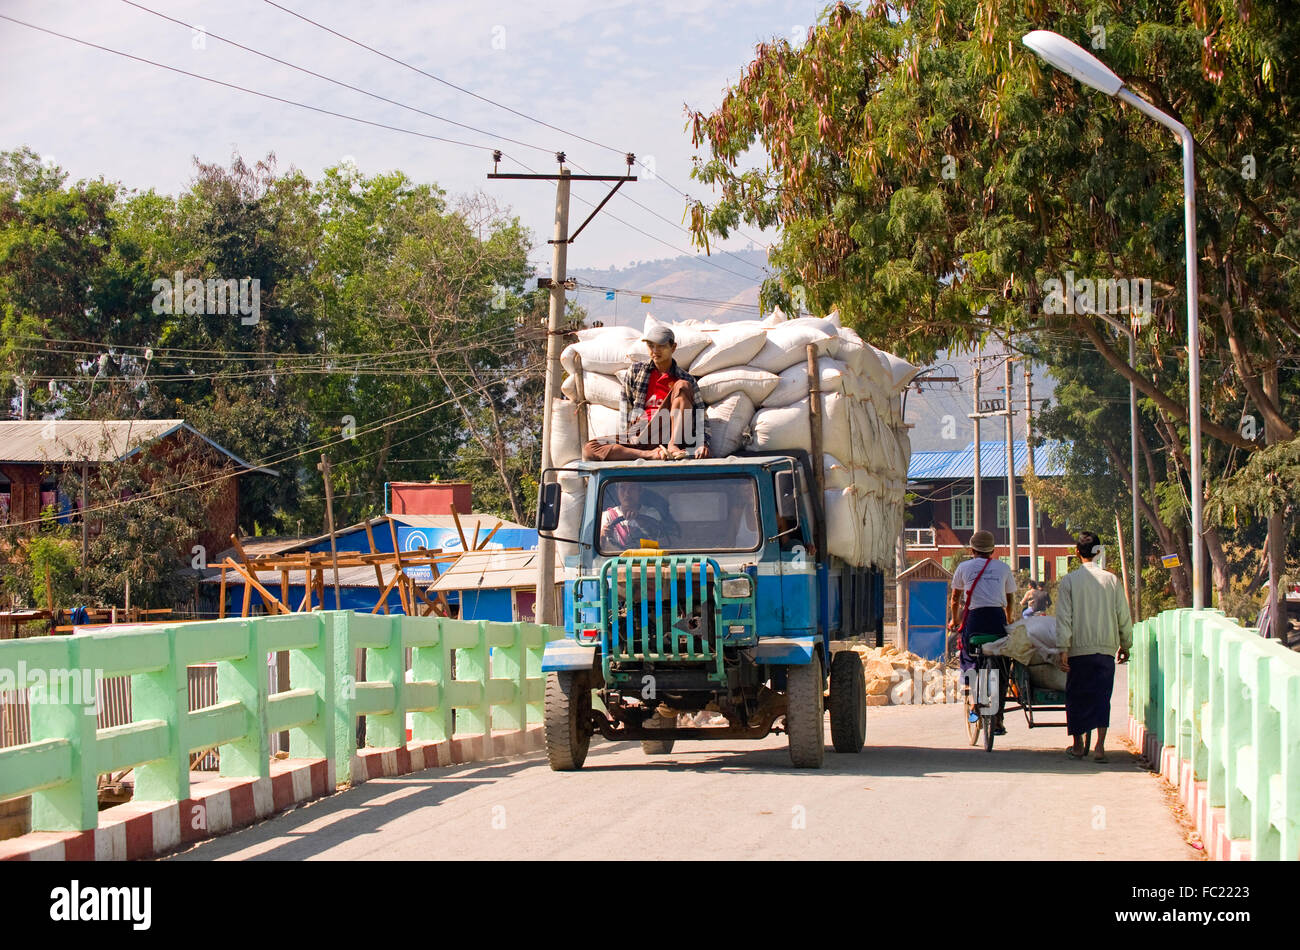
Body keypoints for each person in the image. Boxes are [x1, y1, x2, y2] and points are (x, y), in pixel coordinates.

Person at [582, 325, 712, 461]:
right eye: (651, 346)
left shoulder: (685, 378)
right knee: (591, 448)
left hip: (671, 432)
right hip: (642, 434)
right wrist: (630, 438)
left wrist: (702, 444)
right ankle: (651, 455)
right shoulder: (636, 372)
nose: (655, 351)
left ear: (673, 347)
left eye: (661, 346)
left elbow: (700, 415)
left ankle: (673, 446)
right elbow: (626, 408)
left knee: (682, 386)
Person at [1056, 531, 1132, 763]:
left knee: (1077, 697)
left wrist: (1063, 648)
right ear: (1099, 552)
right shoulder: (1112, 580)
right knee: (1102, 696)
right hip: (1106, 649)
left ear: (1076, 552)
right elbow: (1123, 616)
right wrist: (1126, 643)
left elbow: (1064, 618)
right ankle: (1099, 746)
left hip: (1079, 650)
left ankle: (1078, 745)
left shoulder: (1069, 581)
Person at [947, 530, 1017, 734]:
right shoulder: (1003, 568)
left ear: (972, 549)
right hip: (997, 620)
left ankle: (971, 696)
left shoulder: (963, 567)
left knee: (968, 655)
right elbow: (1010, 599)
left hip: (975, 620)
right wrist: (1009, 619)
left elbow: (955, 599)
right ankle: (998, 719)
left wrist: (955, 619)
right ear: (993, 551)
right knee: (1003, 665)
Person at [599, 481, 664, 551]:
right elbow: (601, 549)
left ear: (640, 491)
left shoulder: (651, 513)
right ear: (617, 491)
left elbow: (660, 541)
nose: (627, 493)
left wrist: (641, 521)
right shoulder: (607, 516)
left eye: (632, 488)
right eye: (622, 488)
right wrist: (603, 536)